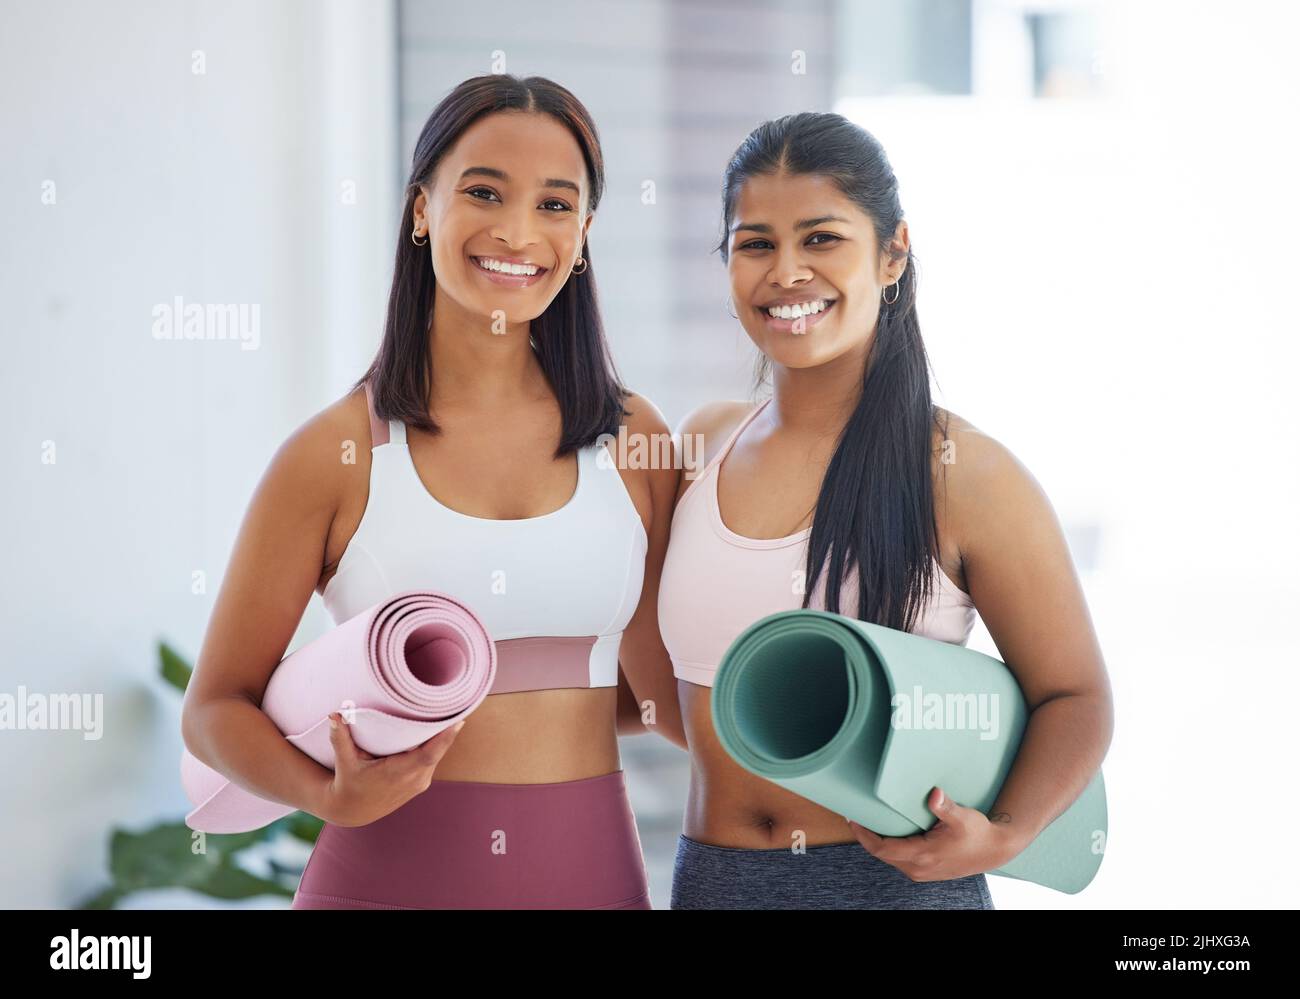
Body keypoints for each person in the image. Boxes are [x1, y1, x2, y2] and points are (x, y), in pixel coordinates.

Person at [181, 74, 683, 910]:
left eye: (555, 205)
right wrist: (325, 793)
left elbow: (664, 698)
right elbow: (213, 709)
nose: (517, 231)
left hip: (593, 880)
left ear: (583, 234)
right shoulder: (336, 454)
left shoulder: (635, 439)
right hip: (381, 885)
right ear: (422, 208)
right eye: (484, 192)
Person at [657, 111, 1113, 909]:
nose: (787, 272)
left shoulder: (962, 471)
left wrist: (1003, 833)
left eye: (821, 238)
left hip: (893, 888)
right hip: (713, 881)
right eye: (756, 244)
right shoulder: (703, 444)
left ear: (892, 252)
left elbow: (1076, 696)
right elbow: (674, 701)